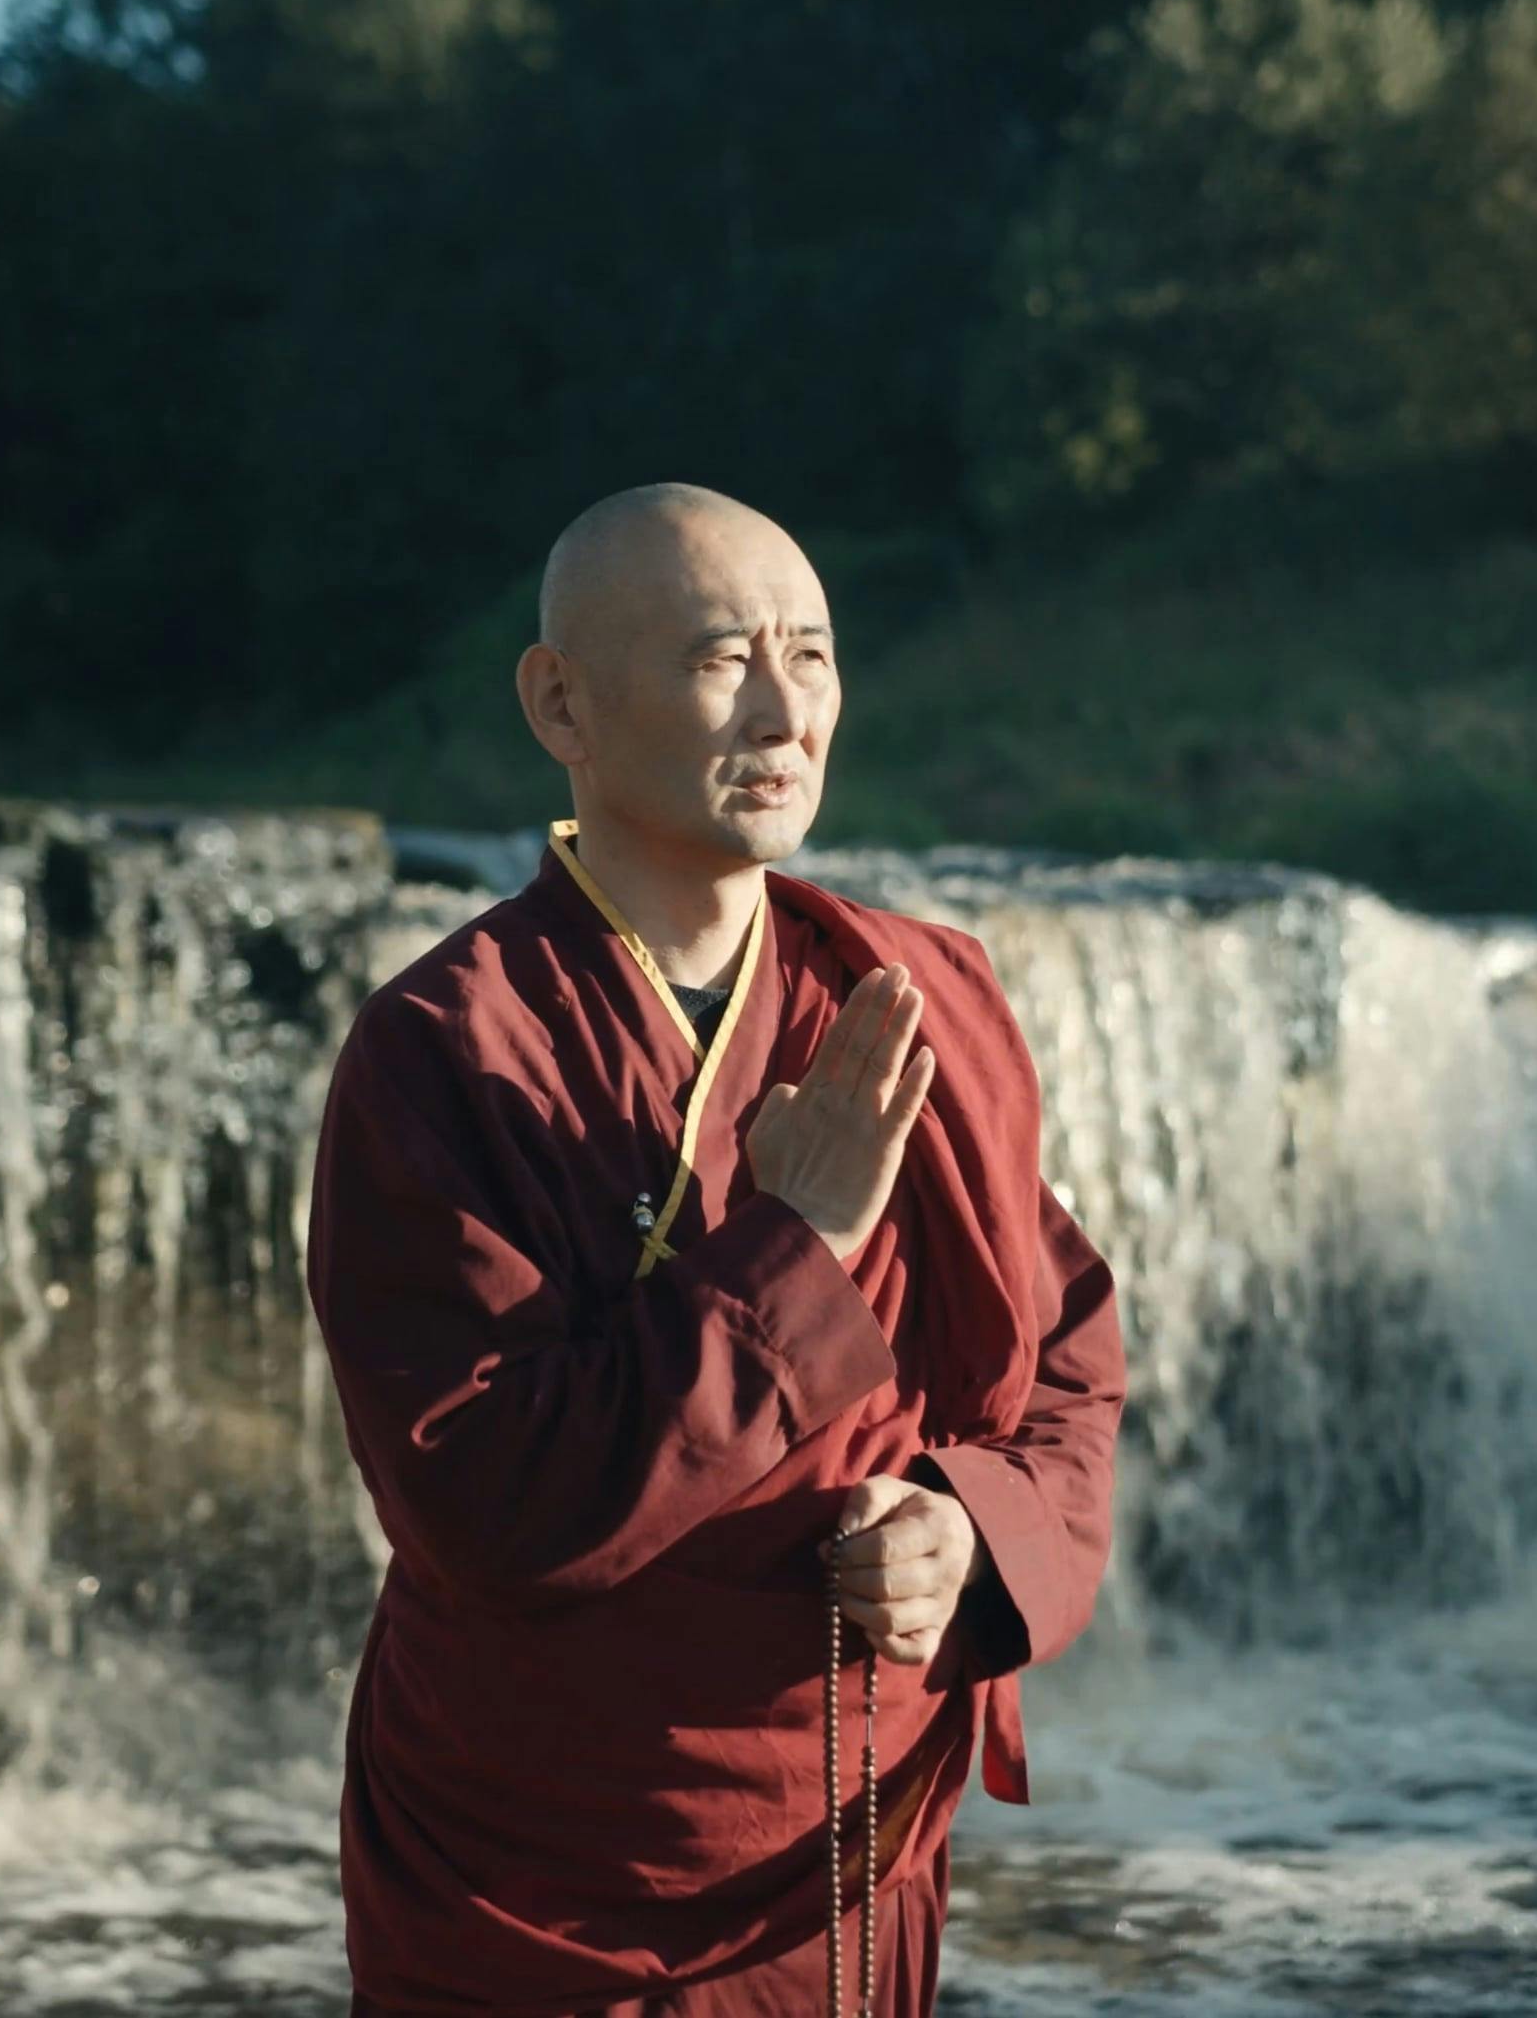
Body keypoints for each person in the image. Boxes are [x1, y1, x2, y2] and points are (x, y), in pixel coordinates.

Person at [305, 482, 1129, 2014]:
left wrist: (973, 1532)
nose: (783, 711)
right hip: (539, 1881)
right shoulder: (446, 1051)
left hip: (843, 1855)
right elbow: (486, 1503)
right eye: (717, 659)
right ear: (562, 703)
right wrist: (795, 1242)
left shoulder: (904, 1001)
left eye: (809, 655)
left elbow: (1070, 1364)